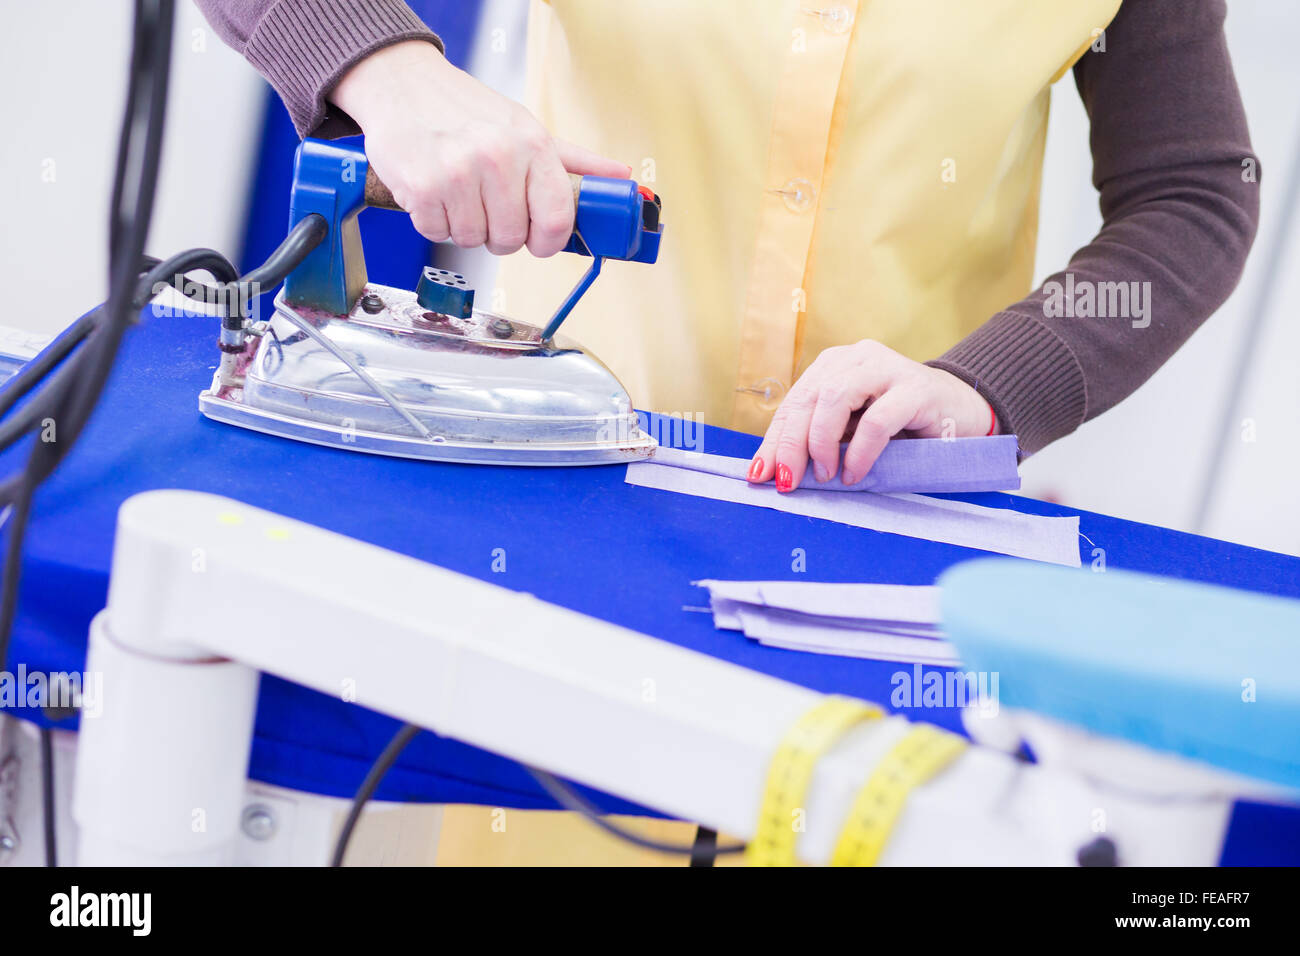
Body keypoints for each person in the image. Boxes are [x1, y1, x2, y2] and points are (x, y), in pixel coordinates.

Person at [195, 0, 1259, 861]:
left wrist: (989, 385)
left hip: (879, 564)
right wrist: (390, 71)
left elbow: (1192, 195)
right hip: (569, 535)